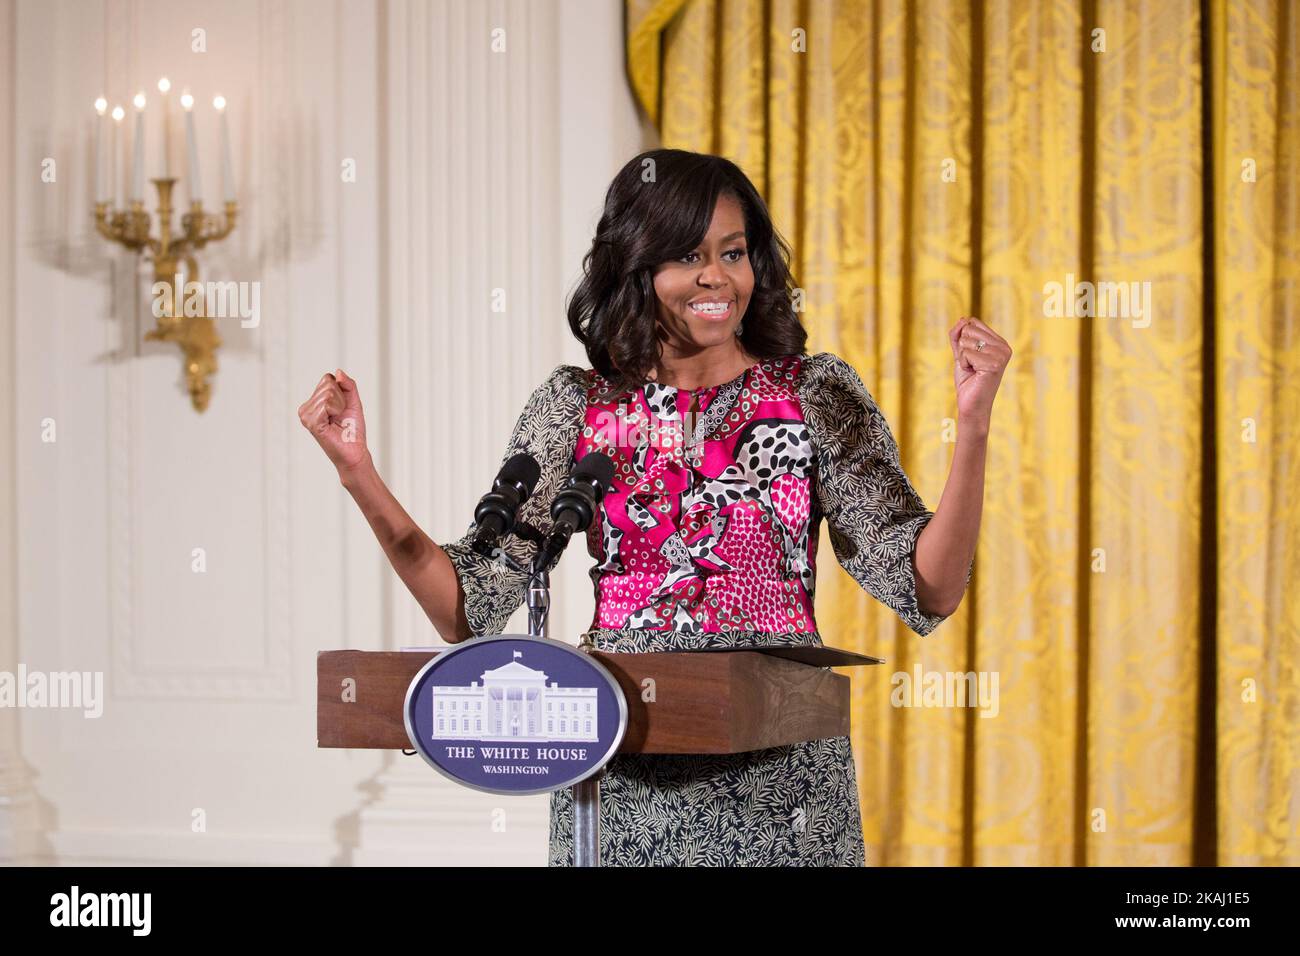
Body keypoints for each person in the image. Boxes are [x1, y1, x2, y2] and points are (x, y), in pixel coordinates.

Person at [297, 148, 1007, 866]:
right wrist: (359, 473)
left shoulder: (813, 396)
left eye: (733, 252)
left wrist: (972, 425)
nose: (717, 278)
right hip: (621, 776)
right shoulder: (576, 406)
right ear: (638, 267)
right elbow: (468, 607)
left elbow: (931, 586)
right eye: (688, 255)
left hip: (781, 785)